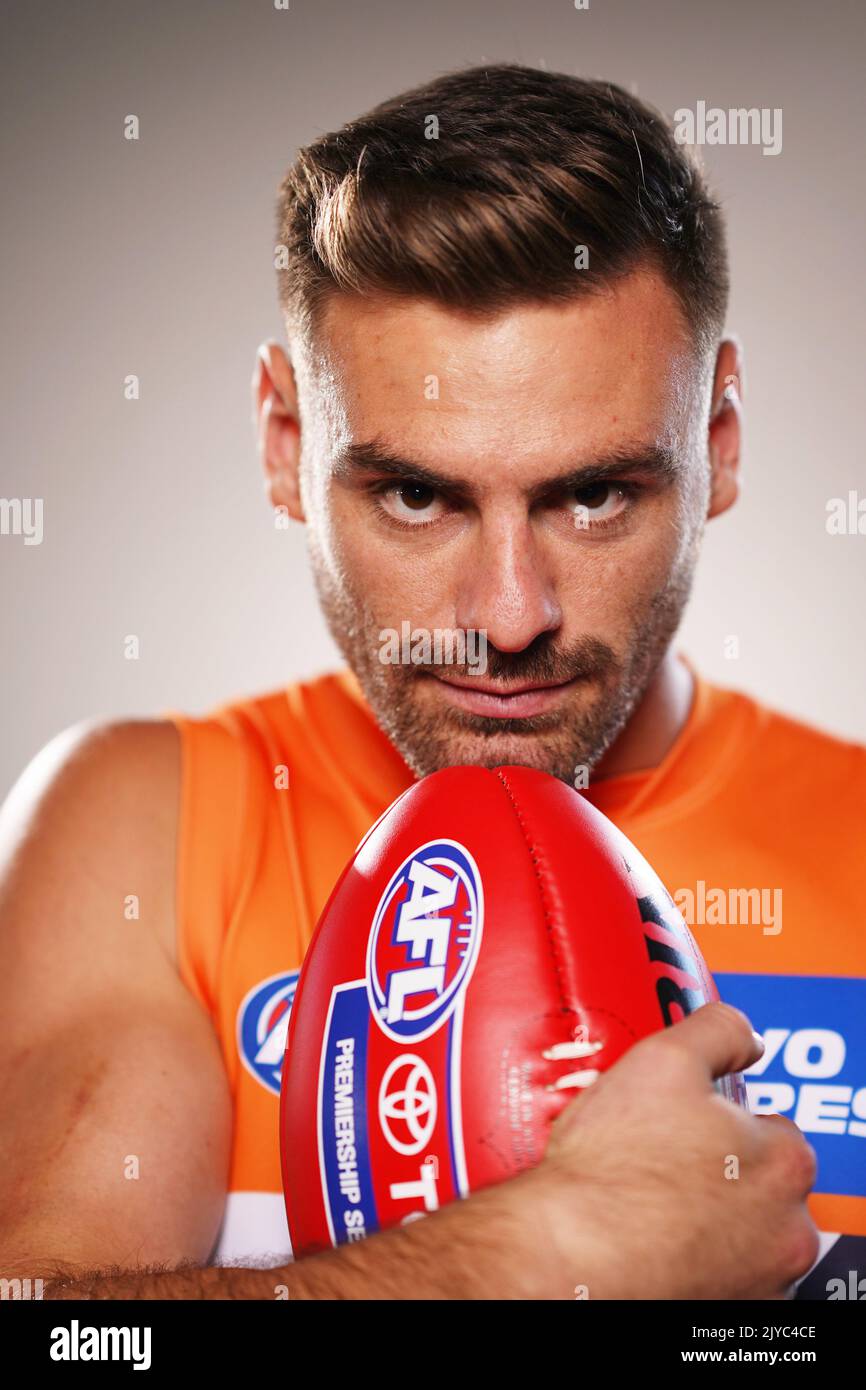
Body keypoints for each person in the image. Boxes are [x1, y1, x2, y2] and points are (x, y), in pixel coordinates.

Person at [2, 63, 862, 1302]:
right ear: (286, 444)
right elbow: (53, 1330)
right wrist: (544, 1253)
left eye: (593, 493)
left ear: (716, 444)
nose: (508, 618)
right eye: (416, 496)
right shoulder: (151, 829)